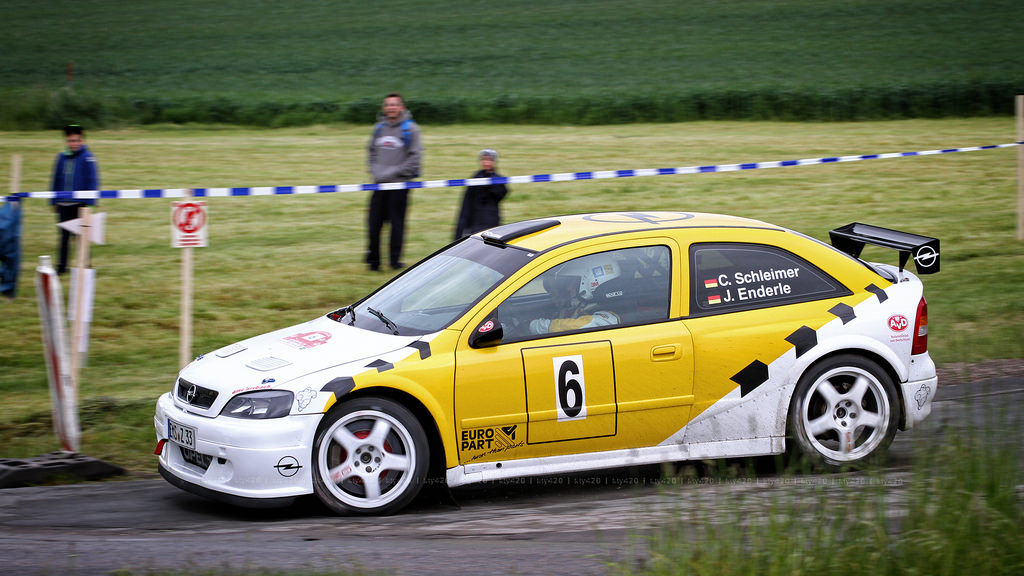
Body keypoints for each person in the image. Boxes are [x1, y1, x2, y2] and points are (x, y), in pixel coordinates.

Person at [366, 92, 422, 271]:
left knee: (397, 225)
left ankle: (394, 262)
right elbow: (371, 153)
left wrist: (392, 173)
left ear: (402, 107)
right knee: (373, 224)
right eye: (388, 105)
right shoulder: (379, 128)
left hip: (399, 185)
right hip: (379, 184)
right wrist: (376, 171)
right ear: (384, 108)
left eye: (394, 105)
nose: (391, 108)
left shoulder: (411, 129)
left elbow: (415, 159)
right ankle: (373, 262)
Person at [528, 255, 624, 334]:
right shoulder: (584, 305)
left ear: (592, 281)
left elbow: (581, 325)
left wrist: (536, 325)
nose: (568, 288)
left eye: (572, 282)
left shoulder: (611, 315)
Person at [50, 124, 99, 274]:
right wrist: (53, 200)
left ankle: (85, 265)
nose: (74, 144)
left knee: (81, 237)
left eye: (77, 140)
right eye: (71, 141)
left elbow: (93, 180)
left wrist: (90, 203)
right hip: (63, 204)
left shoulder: (88, 157)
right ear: (66, 141)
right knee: (63, 237)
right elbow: (55, 179)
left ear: (82, 141)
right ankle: (62, 267)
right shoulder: (61, 157)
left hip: (80, 205)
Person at [454, 148, 509, 240]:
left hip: (491, 219)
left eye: (489, 160)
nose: (486, 163)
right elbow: (466, 202)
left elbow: (502, 193)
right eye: (484, 160)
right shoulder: (475, 178)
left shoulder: (498, 179)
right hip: (475, 220)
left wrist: (490, 184)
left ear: (494, 162)